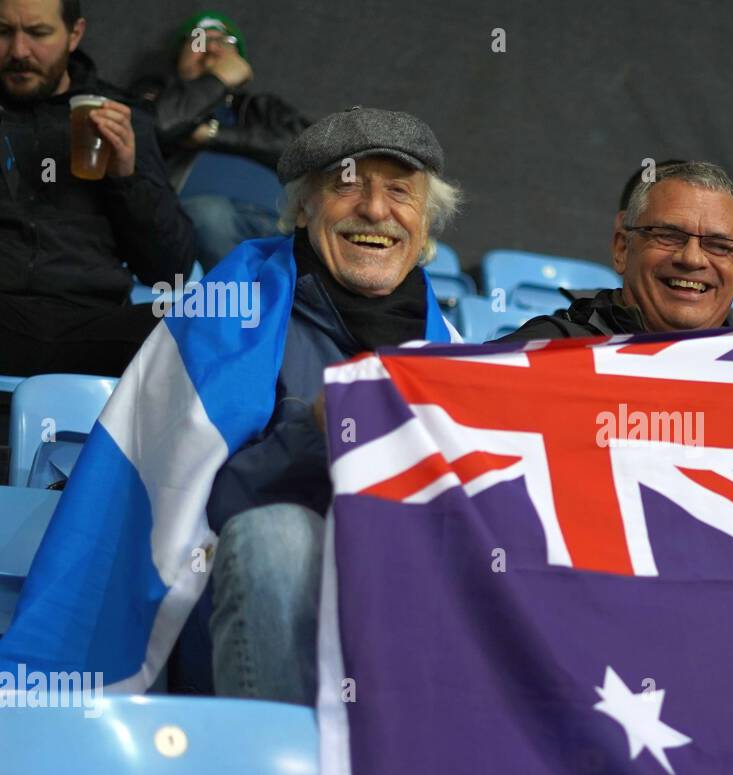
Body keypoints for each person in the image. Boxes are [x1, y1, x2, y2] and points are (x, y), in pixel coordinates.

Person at [204, 107, 463, 703]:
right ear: (301, 209)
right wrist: (318, 429)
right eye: (347, 186)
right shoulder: (231, 312)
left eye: (400, 192)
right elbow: (191, 499)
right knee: (279, 536)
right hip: (246, 596)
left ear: (425, 228)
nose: (375, 210)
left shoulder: (451, 352)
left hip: (397, 608)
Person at [0, 0, 194, 376]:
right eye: (3, 33)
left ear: (75, 34)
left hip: (92, 325)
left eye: (38, 33)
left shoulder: (121, 117)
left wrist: (127, 175)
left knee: (206, 322)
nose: (19, 51)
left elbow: (171, 270)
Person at [503, 161, 733, 340]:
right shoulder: (544, 353)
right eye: (668, 236)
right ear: (622, 248)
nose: (692, 258)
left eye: (718, 245)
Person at [131, 11, 312, 269]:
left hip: (281, 224)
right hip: (196, 223)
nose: (212, 48)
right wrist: (218, 79)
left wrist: (213, 135)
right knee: (209, 214)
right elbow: (155, 126)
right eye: (199, 41)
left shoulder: (260, 107)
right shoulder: (157, 96)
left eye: (225, 43)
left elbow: (311, 148)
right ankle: (239, 304)